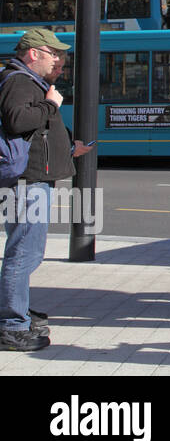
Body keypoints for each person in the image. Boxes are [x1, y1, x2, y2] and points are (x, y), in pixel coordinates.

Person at [0, 29, 91, 351]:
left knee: (25, 252)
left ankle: (16, 312)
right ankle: (11, 325)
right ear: (33, 53)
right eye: (55, 54)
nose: (61, 61)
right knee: (24, 254)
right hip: (27, 183)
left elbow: (34, 134)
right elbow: (17, 120)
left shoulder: (26, 82)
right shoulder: (18, 81)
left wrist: (67, 147)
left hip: (32, 180)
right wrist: (51, 105)